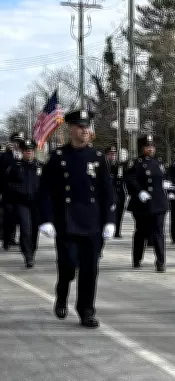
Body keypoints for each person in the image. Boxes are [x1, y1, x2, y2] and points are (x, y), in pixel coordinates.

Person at [37, 109, 116, 328]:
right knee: (68, 265)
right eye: (80, 126)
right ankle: (62, 292)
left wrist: (110, 220)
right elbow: (45, 191)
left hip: (92, 222)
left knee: (90, 270)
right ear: (70, 128)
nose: (84, 130)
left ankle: (86, 310)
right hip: (66, 222)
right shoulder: (58, 157)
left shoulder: (98, 158)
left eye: (86, 126)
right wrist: (46, 219)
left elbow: (107, 192)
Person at [125, 134, 170, 272]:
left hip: (158, 202)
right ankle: (137, 258)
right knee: (141, 232)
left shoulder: (159, 162)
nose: (150, 149)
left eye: (152, 146)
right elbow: (130, 179)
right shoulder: (136, 163)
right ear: (142, 148)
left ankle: (160, 262)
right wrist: (139, 191)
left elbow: (166, 176)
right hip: (142, 204)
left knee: (158, 232)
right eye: (147, 146)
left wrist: (167, 184)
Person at [4, 138, 42, 268]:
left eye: (31, 150)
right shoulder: (15, 167)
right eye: (26, 151)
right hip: (21, 203)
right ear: (22, 151)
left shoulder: (40, 166)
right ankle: (28, 255)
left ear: (34, 151)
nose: (29, 153)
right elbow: (7, 184)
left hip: (37, 204)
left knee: (34, 230)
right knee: (26, 229)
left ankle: (32, 250)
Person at [105, 146, 127, 238]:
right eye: (110, 154)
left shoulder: (119, 167)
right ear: (106, 155)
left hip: (119, 193)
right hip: (108, 194)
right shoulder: (104, 166)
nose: (112, 156)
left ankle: (117, 231)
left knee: (119, 213)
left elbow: (125, 179)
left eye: (114, 154)